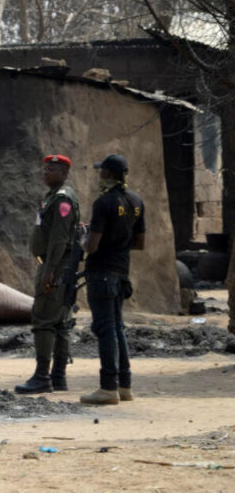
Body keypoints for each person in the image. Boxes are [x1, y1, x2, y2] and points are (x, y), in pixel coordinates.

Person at [80, 154, 145, 405]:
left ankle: (108, 388)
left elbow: (92, 246)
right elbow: (140, 243)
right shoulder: (136, 201)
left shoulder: (103, 203)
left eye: (101, 172)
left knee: (105, 329)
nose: (99, 176)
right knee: (117, 328)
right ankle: (124, 385)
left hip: (101, 274)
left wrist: (83, 238)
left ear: (107, 174)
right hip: (121, 274)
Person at [15, 154, 80, 394]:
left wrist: (49, 270)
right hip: (57, 265)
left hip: (56, 266)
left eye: (51, 170)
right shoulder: (53, 197)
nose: (45, 173)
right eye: (44, 169)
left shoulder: (62, 199)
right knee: (60, 323)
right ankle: (58, 378)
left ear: (64, 173)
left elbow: (59, 238)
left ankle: (43, 376)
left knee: (43, 320)